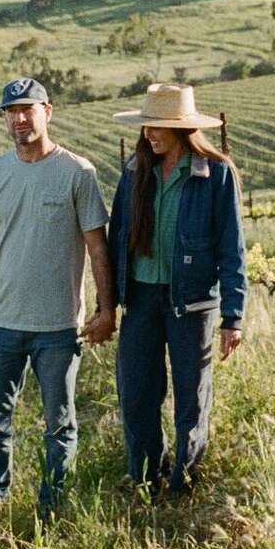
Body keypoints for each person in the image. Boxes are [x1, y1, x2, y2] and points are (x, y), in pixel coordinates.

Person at [0, 77, 116, 516]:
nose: (19, 119)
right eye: (11, 111)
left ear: (48, 112)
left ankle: (52, 506)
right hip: (2, 325)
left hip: (59, 328)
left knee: (60, 425)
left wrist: (107, 310)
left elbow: (97, 247)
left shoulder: (77, 173)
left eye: (28, 109)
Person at [107, 83, 246, 496]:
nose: (151, 133)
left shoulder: (215, 174)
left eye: (160, 126)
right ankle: (146, 477)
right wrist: (107, 303)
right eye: (148, 124)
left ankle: (183, 481)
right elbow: (118, 239)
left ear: (183, 129)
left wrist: (233, 316)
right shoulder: (135, 172)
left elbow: (231, 247)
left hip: (194, 302)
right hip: (141, 300)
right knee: (136, 394)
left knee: (191, 398)